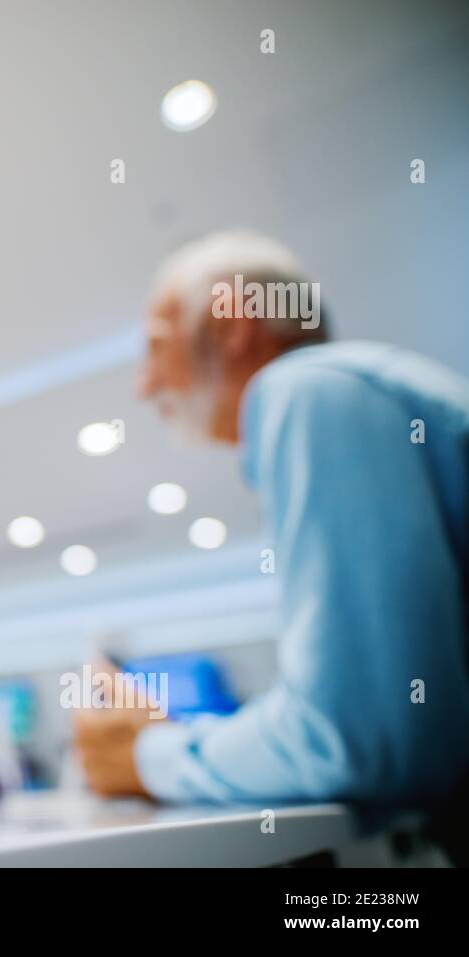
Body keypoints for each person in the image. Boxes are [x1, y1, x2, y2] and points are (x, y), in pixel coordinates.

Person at [75, 230, 469, 807]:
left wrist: (151, 755)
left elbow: (359, 741)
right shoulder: (356, 391)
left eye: (156, 347)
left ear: (234, 323)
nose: (145, 384)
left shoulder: (306, 389)